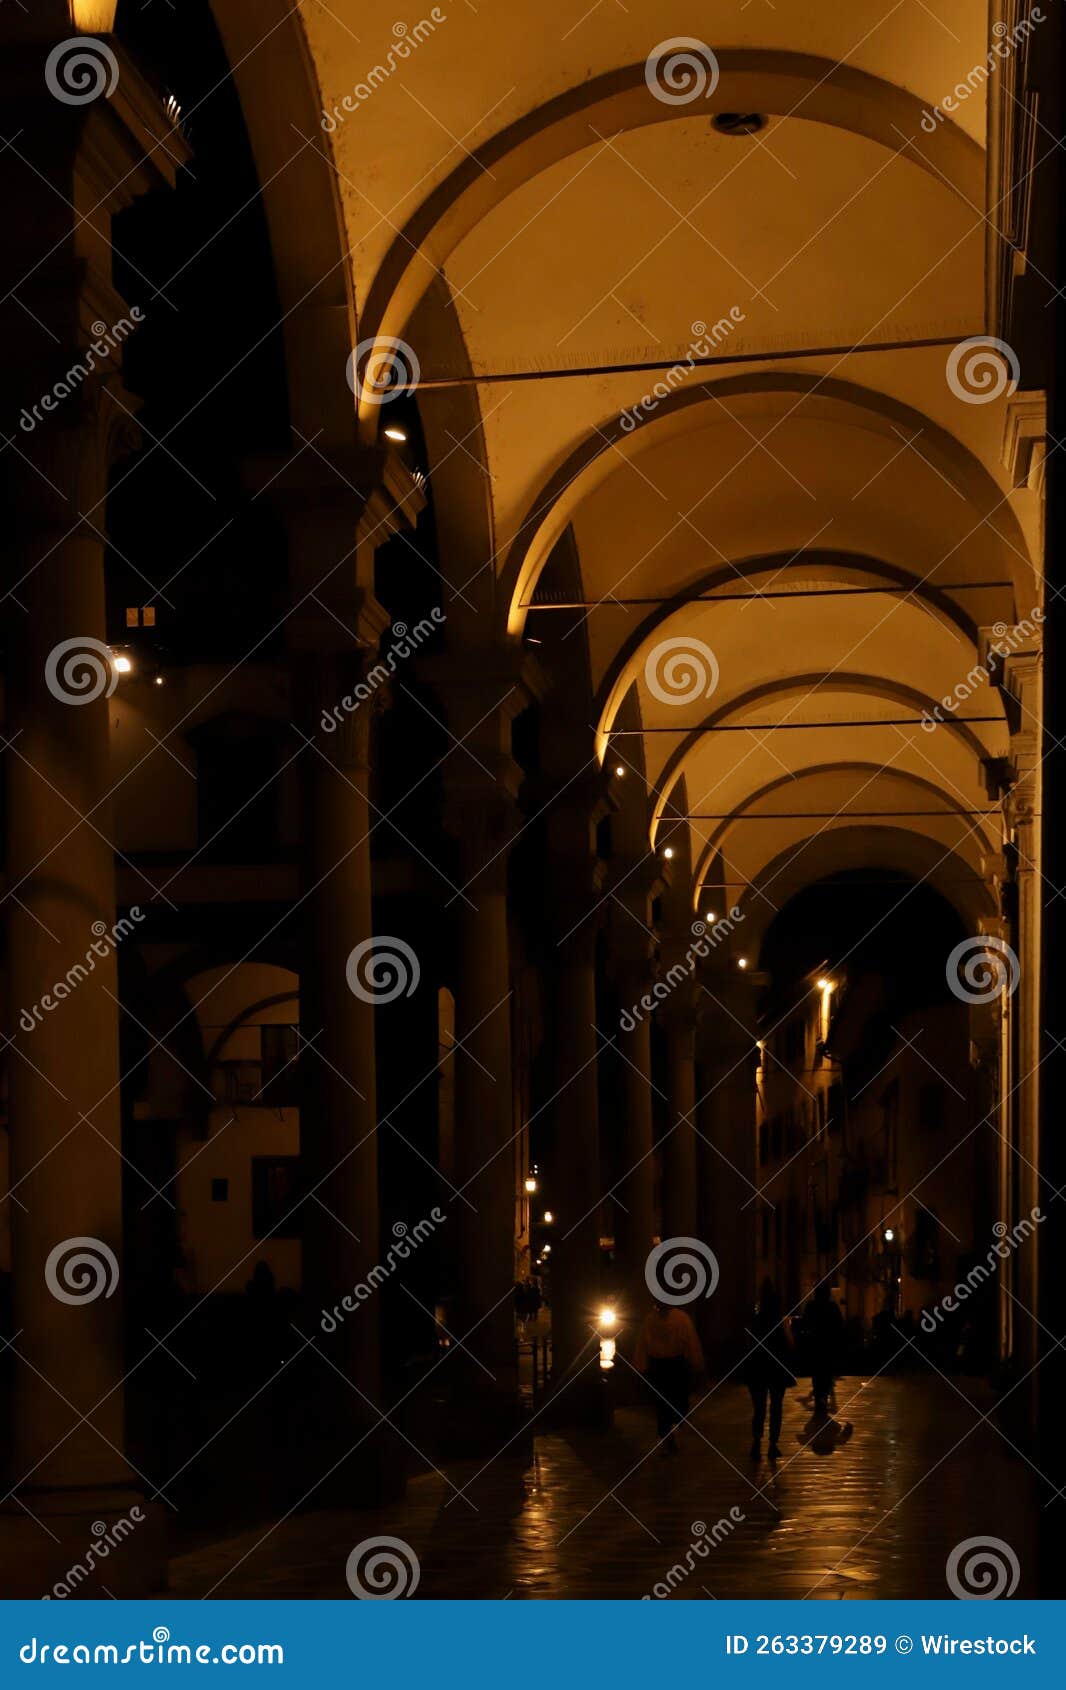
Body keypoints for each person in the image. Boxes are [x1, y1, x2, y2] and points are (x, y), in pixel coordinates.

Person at [634, 1299, 705, 1455]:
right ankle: (668, 1432)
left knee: (671, 1401)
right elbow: (643, 1344)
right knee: (669, 1401)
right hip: (670, 1366)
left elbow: (642, 1344)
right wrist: (697, 1363)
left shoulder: (674, 1319)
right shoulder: (672, 1319)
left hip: (666, 1366)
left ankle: (668, 1431)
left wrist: (641, 1367)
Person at [743, 1278, 796, 1460]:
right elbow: (790, 1344)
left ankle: (756, 1442)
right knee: (776, 1406)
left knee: (759, 1407)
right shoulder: (780, 1322)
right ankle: (773, 1444)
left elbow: (749, 1344)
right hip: (776, 1369)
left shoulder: (756, 1321)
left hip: (757, 1368)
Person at [803, 1281, 845, 1415]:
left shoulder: (811, 1306)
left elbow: (805, 1323)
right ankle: (823, 1397)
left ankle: (819, 1397)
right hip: (828, 1345)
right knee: (826, 1372)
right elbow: (839, 1326)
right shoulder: (832, 1307)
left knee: (817, 1373)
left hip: (815, 1345)